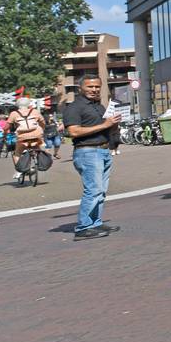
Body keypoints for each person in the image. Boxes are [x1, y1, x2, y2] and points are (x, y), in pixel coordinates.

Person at [62, 75, 121, 241]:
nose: (94, 90)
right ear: (81, 88)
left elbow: (106, 127)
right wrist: (105, 125)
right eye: (90, 87)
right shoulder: (74, 107)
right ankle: (83, 227)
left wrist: (114, 124)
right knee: (93, 190)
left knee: (100, 191)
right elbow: (73, 131)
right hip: (87, 152)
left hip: (102, 151)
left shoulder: (99, 106)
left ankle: (95, 223)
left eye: (97, 86)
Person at [8, 97, 46, 179]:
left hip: (22, 137)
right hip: (36, 135)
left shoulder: (14, 113)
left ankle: (19, 170)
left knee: (17, 153)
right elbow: (42, 122)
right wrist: (41, 130)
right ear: (28, 104)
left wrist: (5, 133)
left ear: (17, 105)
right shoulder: (35, 111)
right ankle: (40, 162)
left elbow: (7, 126)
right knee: (39, 148)